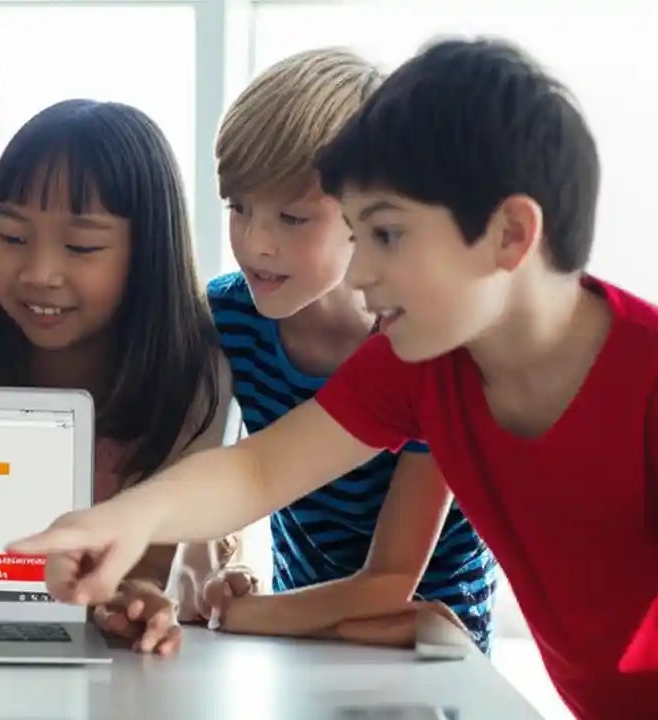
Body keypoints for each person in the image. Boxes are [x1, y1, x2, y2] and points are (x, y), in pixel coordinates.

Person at [10, 38, 658, 720]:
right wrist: (119, 522)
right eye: (359, 235)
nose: (361, 272)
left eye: (388, 235)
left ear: (510, 234)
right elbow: (257, 473)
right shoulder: (425, 366)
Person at [185, 48, 495, 651]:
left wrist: (243, 616)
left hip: (430, 648)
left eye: (294, 218)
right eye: (238, 208)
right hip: (298, 636)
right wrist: (215, 577)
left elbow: (391, 588)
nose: (256, 243)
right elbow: (200, 498)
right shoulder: (226, 317)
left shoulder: (434, 344)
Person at [0, 99, 235, 655]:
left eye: (81, 246)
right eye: (12, 237)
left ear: (148, 253)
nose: (38, 274)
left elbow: (153, 568)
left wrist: (136, 600)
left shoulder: (195, 383)